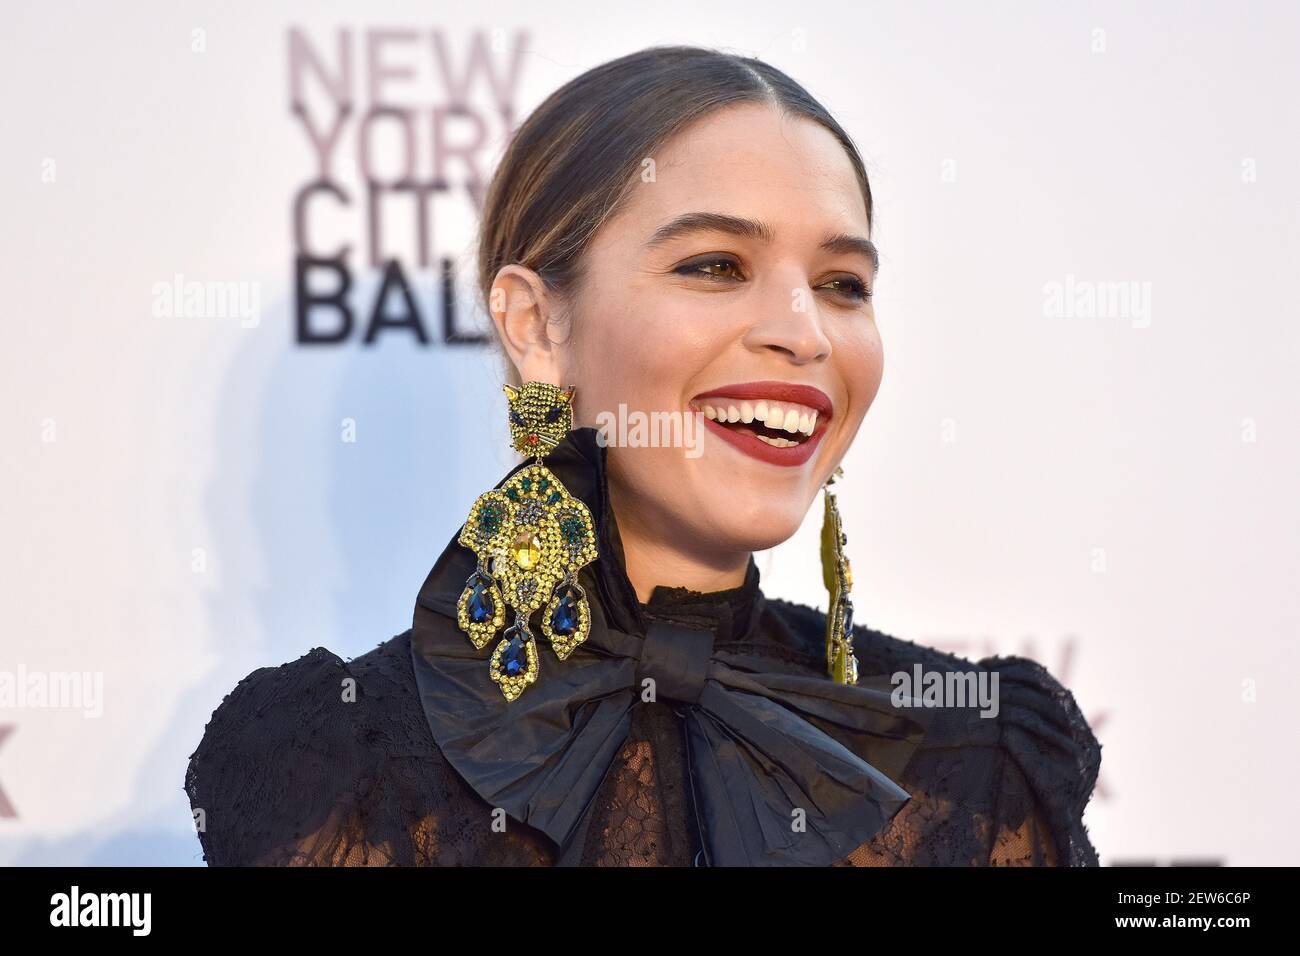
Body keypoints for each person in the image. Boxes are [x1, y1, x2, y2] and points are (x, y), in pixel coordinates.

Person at [184, 45, 1101, 866]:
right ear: (538, 324)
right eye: (714, 265)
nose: (803, 331)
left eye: (841, 284)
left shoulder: (976, 758)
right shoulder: (338, 770)